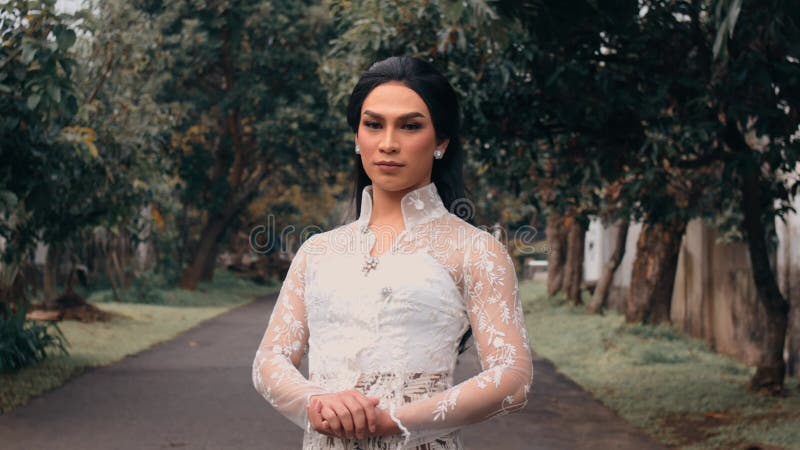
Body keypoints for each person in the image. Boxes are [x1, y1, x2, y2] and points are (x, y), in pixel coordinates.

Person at [252, 55, 533, 450]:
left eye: (410, 126)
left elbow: (513, 378)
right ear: (357, 136)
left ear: (441, 142)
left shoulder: (474, 250)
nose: (387, 143)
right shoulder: (318, 252)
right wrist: (315, 402)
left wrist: (389, 422)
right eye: (373, 124)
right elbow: (270, 361)